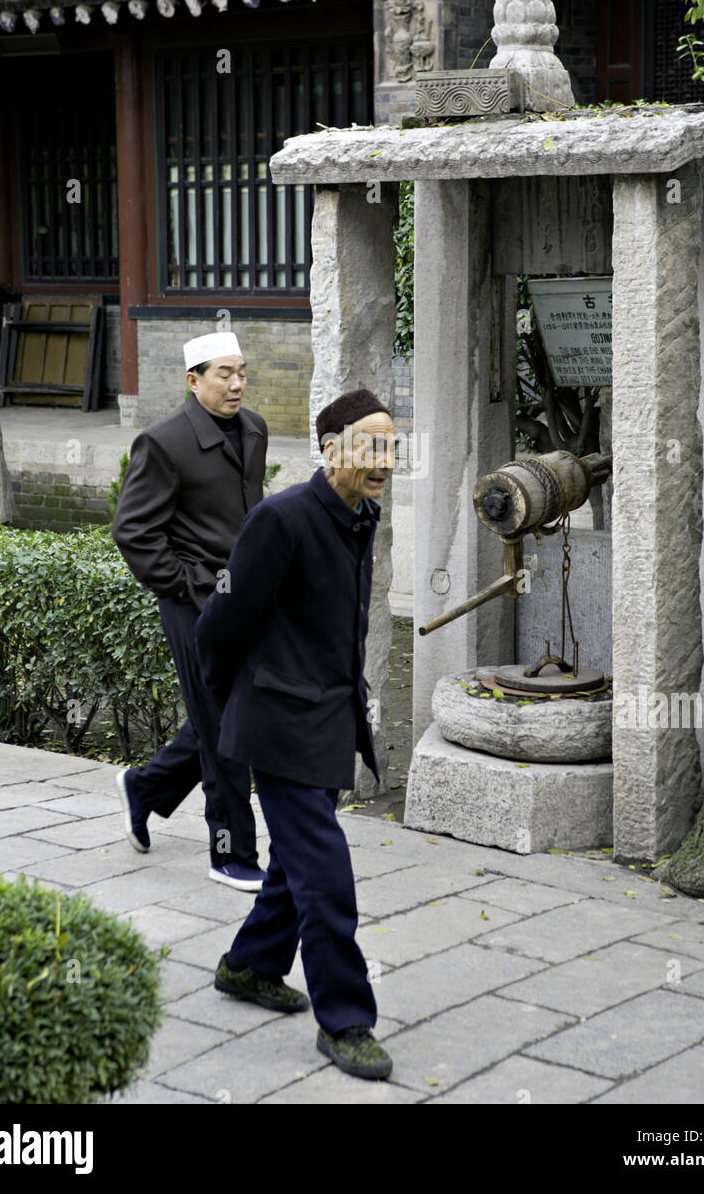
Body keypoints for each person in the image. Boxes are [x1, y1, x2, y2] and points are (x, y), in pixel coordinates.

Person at [195, 388, 396, 1081]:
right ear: (332, 447)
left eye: (393, 448)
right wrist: (237, 704)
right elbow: (219, 627)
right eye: (373, 446)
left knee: (295, 864)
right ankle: (346, 1021)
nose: (386, 462)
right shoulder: (280, 519)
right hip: (280, 726)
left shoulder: (358, 516)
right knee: (325, 876)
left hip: (328, 720)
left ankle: (249, 966)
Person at [111, 330, 267, 892]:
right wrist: (178, 587)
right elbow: (132, 530)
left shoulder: (254, 430)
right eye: (224, 373)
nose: (237, 383)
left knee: (229, 711)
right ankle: (230, 851)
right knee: (225, 725)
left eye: (242, 371)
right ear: (193, 379)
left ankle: (147, 789)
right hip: (191, 603)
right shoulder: (163, 442)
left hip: (243, 597)